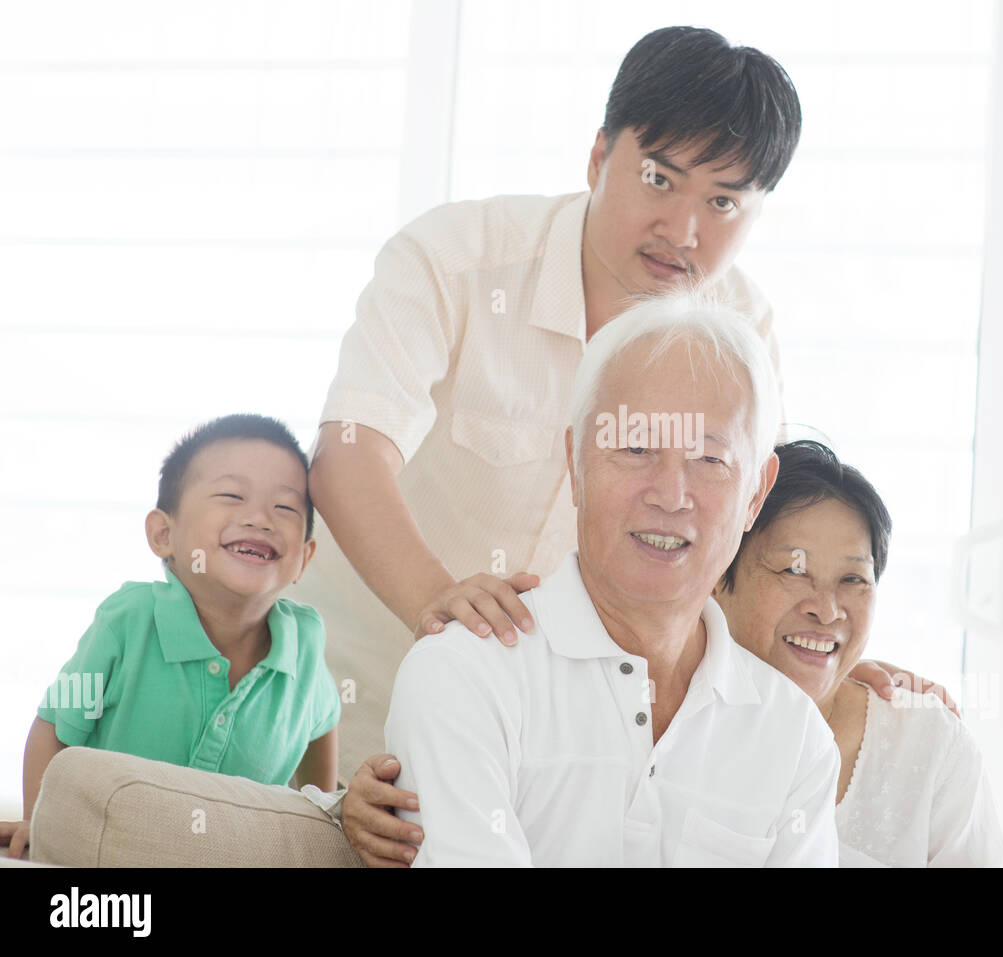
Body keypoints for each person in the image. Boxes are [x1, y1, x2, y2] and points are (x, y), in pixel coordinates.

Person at [295, 26, 954, 853]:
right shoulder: (456, 261)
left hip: (586, 739)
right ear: (599, 154)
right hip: (367, 695)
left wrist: (819, 647)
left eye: (722, 202)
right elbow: (350, 453)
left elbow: (741, 535)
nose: (682, 230)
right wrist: (438, 601)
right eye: (658, 178)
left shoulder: (740, 331)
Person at [383, 293, 839, 865]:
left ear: (756, 494)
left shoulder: (795, 738)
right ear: (576, 464)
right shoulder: (465, 673)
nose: (670, 495)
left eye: (709, 459)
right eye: (635, 446)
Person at [0, 414, 340, 859]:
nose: (260, 518)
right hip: (110, 850)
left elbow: (321, 736)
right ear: (164, 534)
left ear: (304, 559)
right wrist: (38, 821)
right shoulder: (127, 622)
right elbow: (53, 727)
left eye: (285, 507)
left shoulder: (306, 646)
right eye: (232, 495)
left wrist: (325, 813)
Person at [712, 440, 1003, 866]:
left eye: (853, 579)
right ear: (720, 576)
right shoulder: (672, 726)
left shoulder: (929, 745)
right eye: (794, 570)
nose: (826, 608)